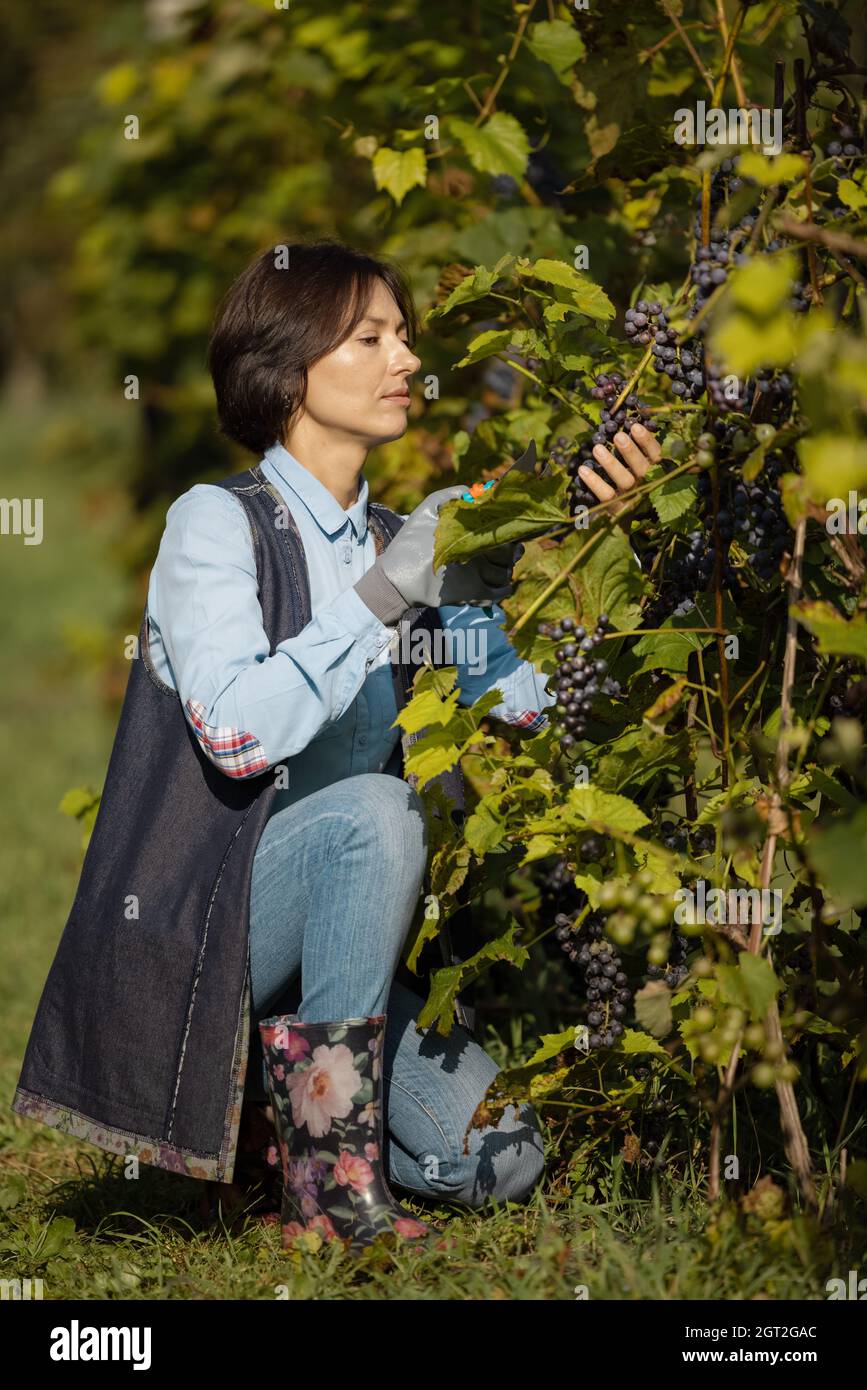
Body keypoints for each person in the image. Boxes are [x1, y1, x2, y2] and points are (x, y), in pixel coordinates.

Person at [12, 237, 659, 1253]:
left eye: (405, 335)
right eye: (372, 336)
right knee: (374, 811)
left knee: (501, 1157)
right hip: (205, 933)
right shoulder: (216, 526)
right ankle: (330, 1194)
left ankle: (275, 1119)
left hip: (328, 965)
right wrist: (385, 591)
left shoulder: (407, 542)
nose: (407, 359)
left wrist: (607, 542)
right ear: (288, 367)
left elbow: (536, 711)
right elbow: (235, 735)